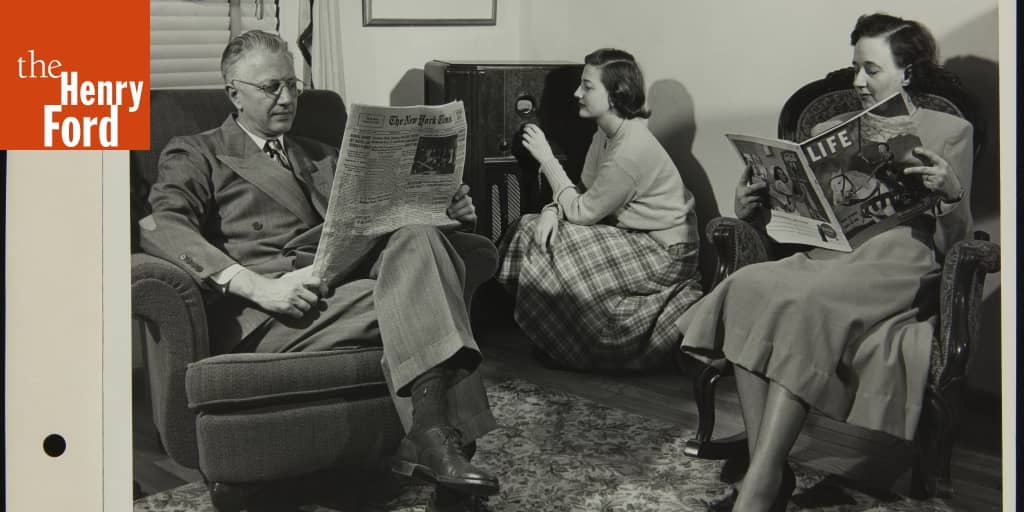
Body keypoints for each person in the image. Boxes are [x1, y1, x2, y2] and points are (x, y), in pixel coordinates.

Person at [138, 30, 499, 511]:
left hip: (341, 292)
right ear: (234, 93)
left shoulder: (323, 155)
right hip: (272, 314)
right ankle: (449, 460)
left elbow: (380, 231)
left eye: (292, 85)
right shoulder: (196, 152)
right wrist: (255, 286)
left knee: (419, 237)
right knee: (433, 294)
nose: (287, 98)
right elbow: (160, 226)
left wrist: (443, 212)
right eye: (271, 87)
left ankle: (435, 436)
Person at [677, 13, 972, 512]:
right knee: (748, 286)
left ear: (907, 72)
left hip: (895, 262)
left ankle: (761, 483)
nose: (858, 80)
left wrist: (951, 193)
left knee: (804, 303)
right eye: (855, 67)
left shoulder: (950, 131)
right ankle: (769, 470)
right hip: (829, 254)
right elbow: (803, 220)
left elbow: (958, 242)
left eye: (871, 69)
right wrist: (754, 206)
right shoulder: (830, 129)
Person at [496, 48, 702, 371]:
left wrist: (546, 159)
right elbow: (581, 193)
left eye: (588, 86)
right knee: (530, 227)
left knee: (540, 237)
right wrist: (551, 211)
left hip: (667, 252)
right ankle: (561, 341)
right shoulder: (605, 135)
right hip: (634, 235)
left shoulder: (629, 151)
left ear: (615, 95)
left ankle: (573, 348)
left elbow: (582, 213)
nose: (577, 93)